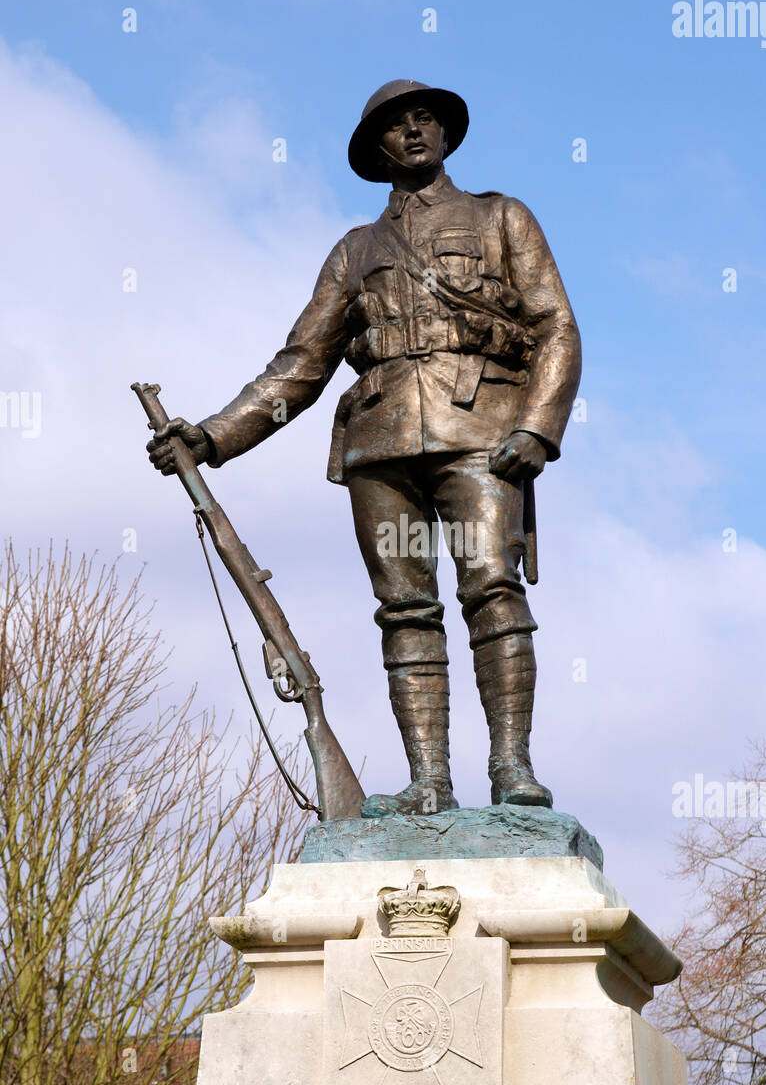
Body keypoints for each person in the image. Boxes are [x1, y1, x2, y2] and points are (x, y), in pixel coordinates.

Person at [148, 79, 581, 819]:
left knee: (491, 589)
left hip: (482, 434)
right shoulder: (354, 253)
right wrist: (214, 435)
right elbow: (301, 365)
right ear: (375, 149)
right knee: (405, 610)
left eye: (426, 120)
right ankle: (429, 785)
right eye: (396, 125)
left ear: (445, 134)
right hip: (379, 447)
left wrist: (536, 428)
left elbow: (556, 331)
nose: (414, 132)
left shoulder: (501, 217)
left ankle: (511, 769)